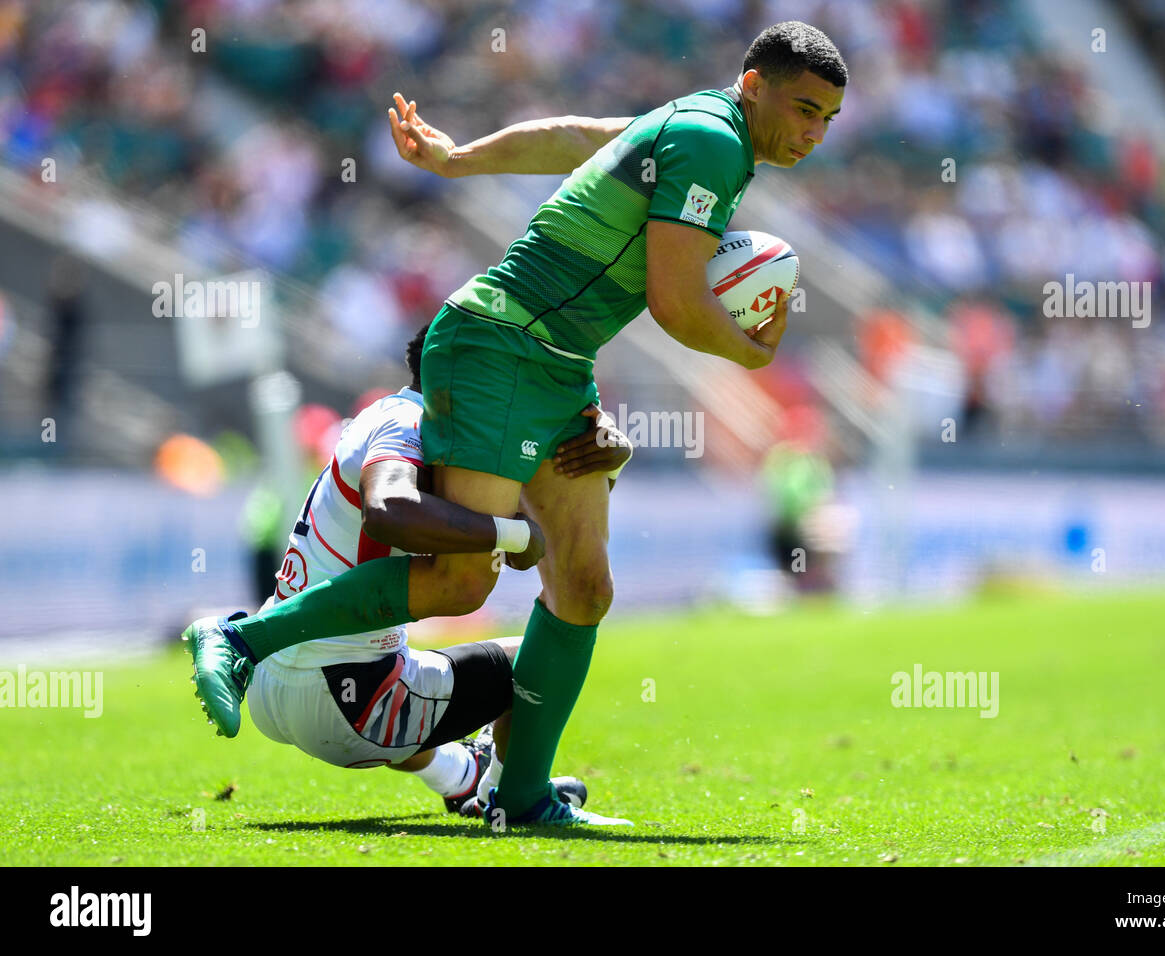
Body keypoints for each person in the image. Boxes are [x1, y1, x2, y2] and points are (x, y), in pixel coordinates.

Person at [186, 21, 847, 828]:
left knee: (584, 584)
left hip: (556, 362)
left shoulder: (693, 123)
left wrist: (459, 159)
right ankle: (243, 641)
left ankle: (524, 795)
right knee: (464, 577)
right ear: (754, 86)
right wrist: (752, 351)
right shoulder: (714, 141)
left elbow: (572, 137)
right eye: (804, 108)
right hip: (501, 339)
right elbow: (676, 302)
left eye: (827, 119)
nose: (813, 132)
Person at [189, 324, 634, 824]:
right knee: (531, 659)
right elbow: (391, 508)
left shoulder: (391, 412)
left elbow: (535, 523)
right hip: (343, 694)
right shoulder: (412, 422)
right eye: (508, 376)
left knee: (411, 664)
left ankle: (463, 776)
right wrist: (511, 535)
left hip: (283, 679)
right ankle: (508, 796)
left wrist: (603, 465)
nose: (515, 392)